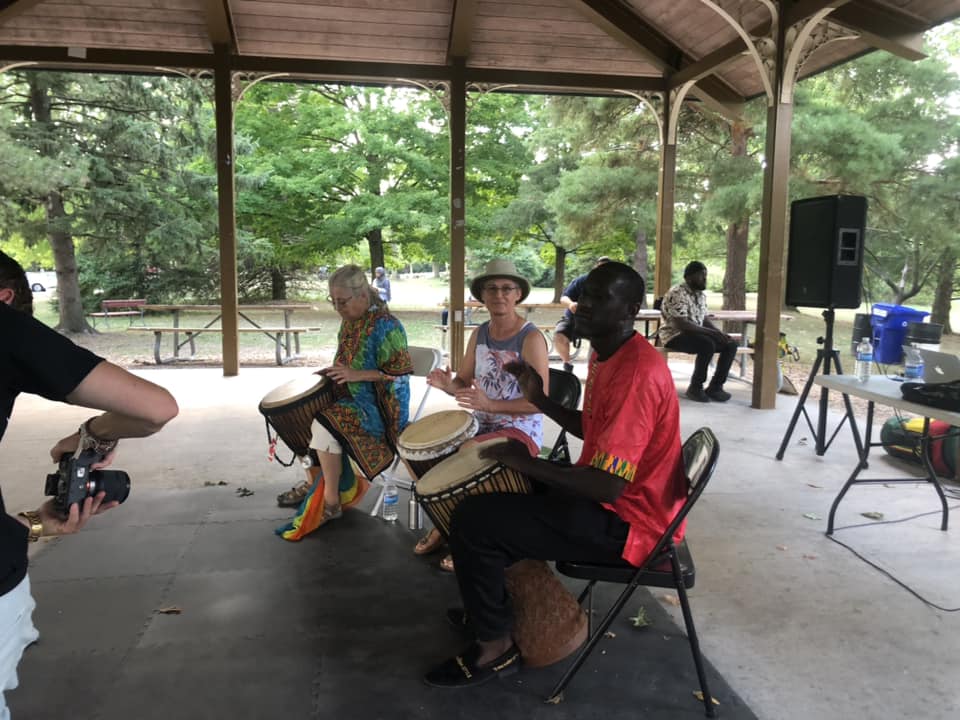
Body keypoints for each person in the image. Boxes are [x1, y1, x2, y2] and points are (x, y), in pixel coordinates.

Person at [422, 261, 686, 688]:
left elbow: (609, 483)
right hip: (615, 503)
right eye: (583, 294)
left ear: (631, 309)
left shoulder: (637, 371)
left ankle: (495, 647)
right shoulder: (609, 351)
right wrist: (541, 401)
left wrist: (523, 459)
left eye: (600, 298)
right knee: (502, 494)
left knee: (475, 520)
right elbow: (595, 428)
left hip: (632, 524)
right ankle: (490, 606)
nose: (583, 304)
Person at [0, 251, 178, 717]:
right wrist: (92, 434)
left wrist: (32, 525)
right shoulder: (6, 327)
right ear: (5, 298)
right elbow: (156, 408)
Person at [413, 259, 549, 572]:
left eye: (506, 288)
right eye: (491, 288)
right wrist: (448, 385)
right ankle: (446, 524)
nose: (498, 294)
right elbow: (463, 381)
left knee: (466, 452)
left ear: (517, 295)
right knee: (424, 451)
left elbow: (540, 403)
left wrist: (491, 406)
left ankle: (465, 539)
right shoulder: (481, 334)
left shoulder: (530, 338)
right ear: (482, 296)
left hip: (520, 430)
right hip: (483, 423)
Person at [275, 264, 413, 541]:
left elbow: (398, 375)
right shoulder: (350, 322)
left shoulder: (387, 325)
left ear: (362, 294)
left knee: (325, 422)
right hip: (352, 397)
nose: (338, 307)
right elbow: (345, 361)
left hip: (382, 408)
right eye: (333, 301)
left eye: (342, 301)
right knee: (307, 415)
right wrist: (334, 372)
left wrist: (355, 374)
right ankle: (320, 485)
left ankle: (330, 501)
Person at [658, 260, 738, 403]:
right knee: (706, 344)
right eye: (701, 276)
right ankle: (695, 387)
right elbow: (682, 324)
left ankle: (715, 387)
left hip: (696, 334)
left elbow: (704, 319)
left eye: (705, 275)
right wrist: (712, 334)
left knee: (730, 344)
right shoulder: (676, 293)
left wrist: (718, 333)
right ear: (689, 277)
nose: (705, 279)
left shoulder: (700, 295)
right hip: (675, 335)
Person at [553, 256, 610, 373]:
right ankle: (567, 365)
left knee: (600, 342)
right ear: (595, 267)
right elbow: (564, 298)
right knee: (559, 335)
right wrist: (571, 304)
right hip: (574, 319)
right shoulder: (582, 280)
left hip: (598, 323)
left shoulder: (613, 284)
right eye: (600, 268)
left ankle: (593, 370)